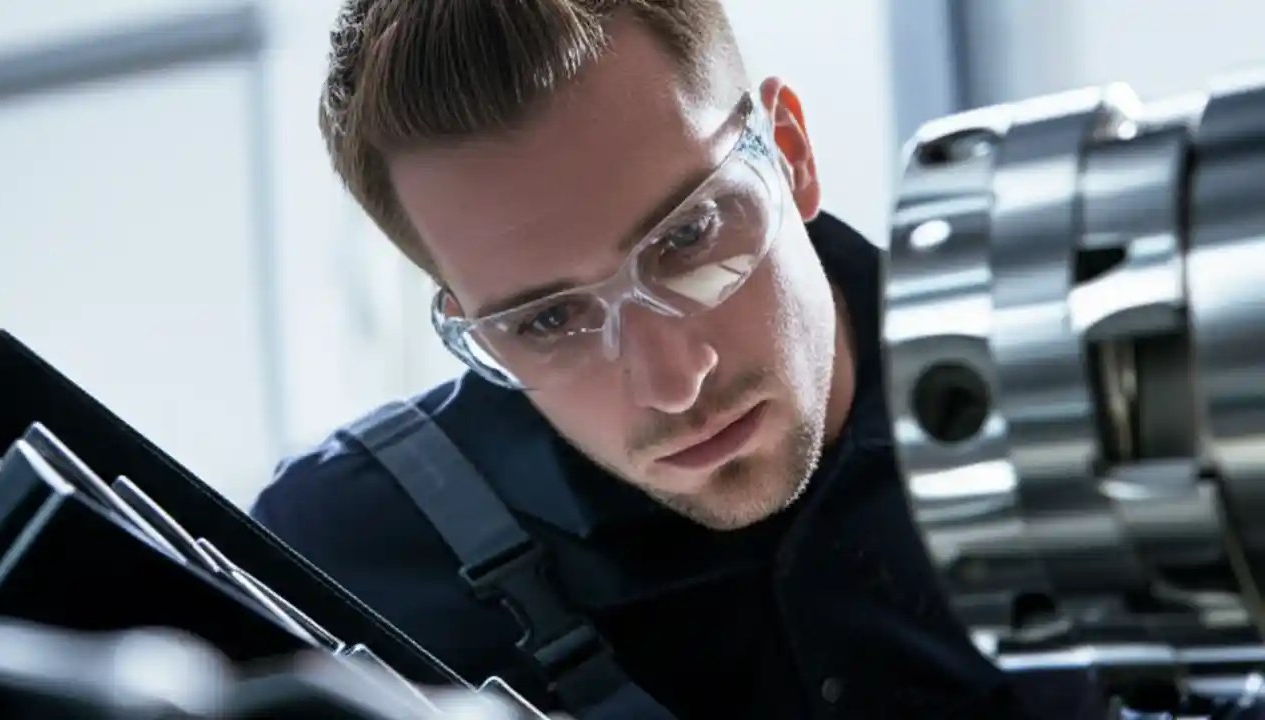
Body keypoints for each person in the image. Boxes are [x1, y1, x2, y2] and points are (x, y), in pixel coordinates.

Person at [250, 1, 1041, 717]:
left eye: (690, 235)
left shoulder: (1073, 388)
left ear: (792, 153)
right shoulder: (335, 565)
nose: (673, 380)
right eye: (550, 319)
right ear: (473, 329)